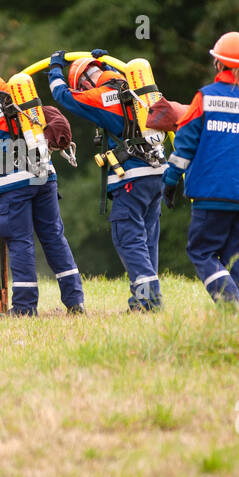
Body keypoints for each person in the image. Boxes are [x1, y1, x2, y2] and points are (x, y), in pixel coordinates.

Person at [0, 52, 85, 316]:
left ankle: (25, 308)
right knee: (54, 238)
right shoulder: (21, 94)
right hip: (45, 176)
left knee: (20, 241)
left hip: (15, 184)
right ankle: (75, 301)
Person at [163, 32, 239, 305]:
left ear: (218, 64)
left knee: (202, 253)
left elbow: (185, 143)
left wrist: (170, 180)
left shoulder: (205, 98)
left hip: (212, 196)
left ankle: (234, 306)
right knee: (234, 264)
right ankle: (237, 326)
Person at [48, 48, 165, 311]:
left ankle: (149, 301)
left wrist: (55, 69)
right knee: (146, 239)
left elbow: (63, 95)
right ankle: (141, 300)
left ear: (87, 81)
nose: (82, 90)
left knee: (128, 238)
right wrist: (100, 62)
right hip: (158, 174)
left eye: (83, 85)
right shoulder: (136, 89)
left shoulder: (101, 96)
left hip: (132, 179)